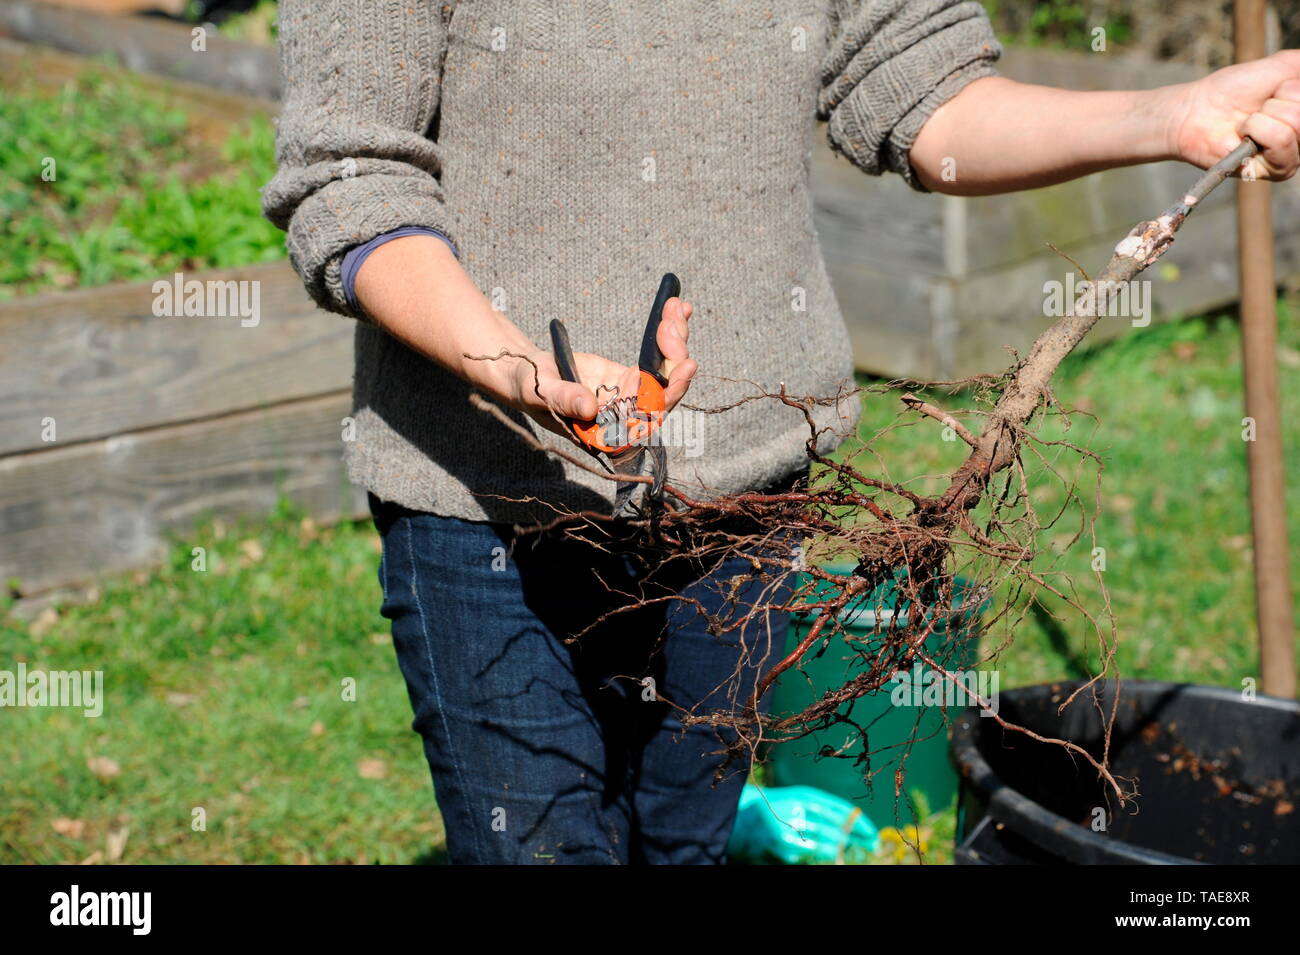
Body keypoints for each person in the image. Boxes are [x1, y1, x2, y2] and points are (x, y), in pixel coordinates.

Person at [263, 1, 1300, 864]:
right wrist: (516, 366)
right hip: (487, 500)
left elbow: (920, 85)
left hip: (749, 500)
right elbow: (350, 174)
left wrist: (1176, 112)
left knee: (686, 843)